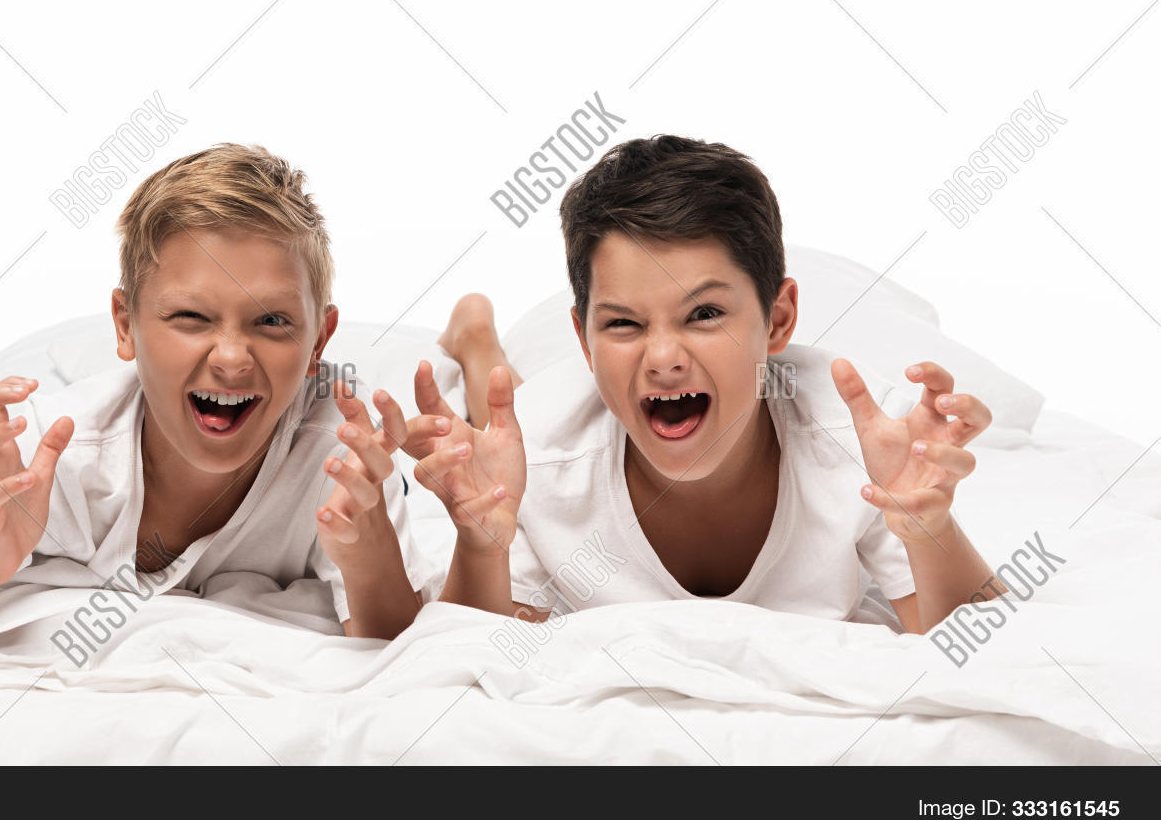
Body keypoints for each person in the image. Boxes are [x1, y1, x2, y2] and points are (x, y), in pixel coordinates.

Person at [0, 144, 435, 655]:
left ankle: (470, 340)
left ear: (320, 339)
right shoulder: (49, 449)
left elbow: (395, 648)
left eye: (272, 321)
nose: (231, 357)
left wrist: (369, 549)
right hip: (83, 401)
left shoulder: (340, 461)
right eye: (191, 315)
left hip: (201, 386)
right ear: (122, 324)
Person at [410, 135, 1003, 633]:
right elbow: (473, 648)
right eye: (623, 324)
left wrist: (932, 530)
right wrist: (480, 544)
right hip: (551, 416)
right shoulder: (542, 449)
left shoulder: (861, 440)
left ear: (777, 320)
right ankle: (476, 339)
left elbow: (971, 635)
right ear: (585, 340)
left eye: (704, 315)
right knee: (501, 418)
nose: (664, 359)